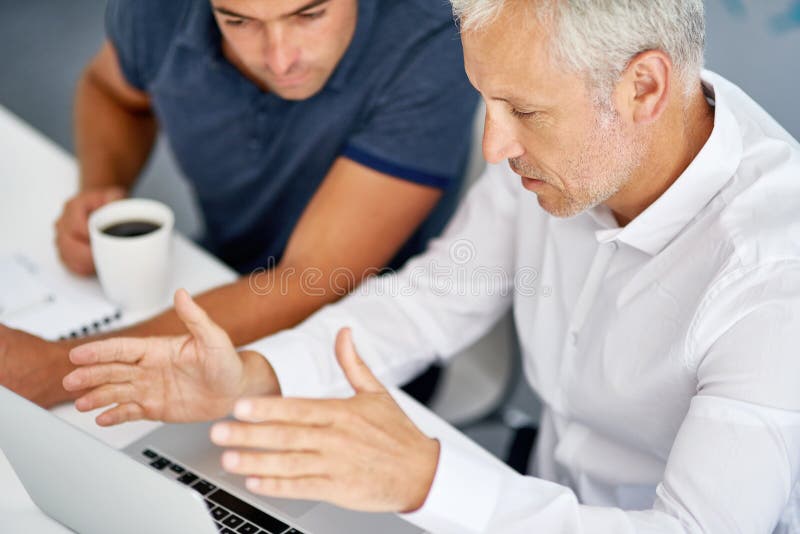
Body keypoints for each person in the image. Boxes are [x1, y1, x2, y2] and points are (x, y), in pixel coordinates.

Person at [62, 0, 800, 532]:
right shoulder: (567, 151)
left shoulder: (774, 283)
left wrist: (428, 479)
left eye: (523, 112)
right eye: (487, 103)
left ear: (644, 88)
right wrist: (254, 373)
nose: (493, 148)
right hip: (532, 494)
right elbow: (428, 300)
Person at [0, 0, 478, 407]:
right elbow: (113, 91)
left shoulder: (434, 40)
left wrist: (66, 369)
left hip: (360, 354)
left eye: (309, 14)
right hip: (207, 284)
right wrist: (102, 189)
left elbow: (306, 280)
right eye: (238, 21)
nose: (281, 59)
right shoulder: (160, 10)